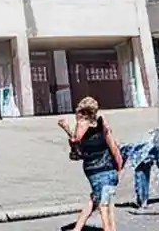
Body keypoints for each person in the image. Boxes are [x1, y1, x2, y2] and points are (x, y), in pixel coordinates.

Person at [58, 96, 123, 231]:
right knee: (105, 203)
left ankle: (77, 228)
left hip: (93, 169)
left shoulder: (81, 124)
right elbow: (113, 147)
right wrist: (119, 164)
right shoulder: (102, 122)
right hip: (107, 167)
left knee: (97, 199)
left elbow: (77, 147)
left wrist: (67, 130)